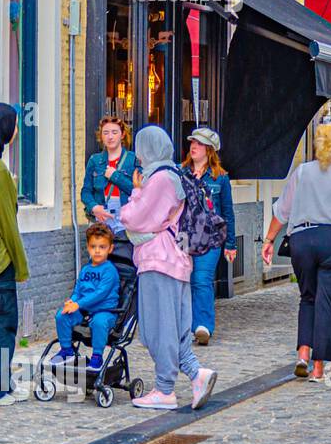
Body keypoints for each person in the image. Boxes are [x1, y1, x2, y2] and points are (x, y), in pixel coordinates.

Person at [260, 123, 331, 384]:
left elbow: (281, 210)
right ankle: (320, 369)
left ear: (316, 144)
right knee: (328, 302)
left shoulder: (302, 173)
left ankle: (303, 353)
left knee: (307, 297)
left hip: (303, 240)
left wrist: (269, 239)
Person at [121, 125, 217, 410]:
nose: (137, 155)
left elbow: (135, 218)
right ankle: (196, 373)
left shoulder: (159, 179)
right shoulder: (174, 174)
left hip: (158, 260)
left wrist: (136, 192)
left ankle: (164, 390)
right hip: (177, 259)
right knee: (176, 326)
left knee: (155, 327)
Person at [0, 105, 29, 406]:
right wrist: (21, 266)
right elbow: (6, 222)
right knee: (1, 323)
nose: (15, 132)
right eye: (13, 126)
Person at [182, 128, 237, 345]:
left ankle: (202, 326)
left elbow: (228, 212)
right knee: (182, 280)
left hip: (211, 237)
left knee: (201, 279)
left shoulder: (220, 178)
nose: (194, 146)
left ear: (210, 150)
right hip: (184, 235)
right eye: (193, 142)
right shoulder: (180, 172)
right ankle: (184, 325)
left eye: (200, 144)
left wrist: (230, 244)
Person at [49, 224, 121, 373]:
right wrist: (72, 301)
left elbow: (100, 293)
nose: (97, 250)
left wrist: (78, 304)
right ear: (88, 248)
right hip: (84, 310)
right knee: (62, 315)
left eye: (102, 247)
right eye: (93, 246)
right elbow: (78, 289)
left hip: (105, 310)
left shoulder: (110, 271)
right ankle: (67, 350)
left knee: (99, 322)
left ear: (110, 249)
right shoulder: (86, 269)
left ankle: (97, 356)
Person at [80, 117, 142, 272]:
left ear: (122, 135)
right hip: (102, 219)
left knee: (125, 264)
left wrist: (115, 176)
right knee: (99, 266)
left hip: (126, 219)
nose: (110, 136)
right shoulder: (95, 160)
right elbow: (86, 191)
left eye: (114, 132)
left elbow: (139, 190)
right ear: (101, 136)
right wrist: (94, 207)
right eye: (106, 132)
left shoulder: (132, 159)